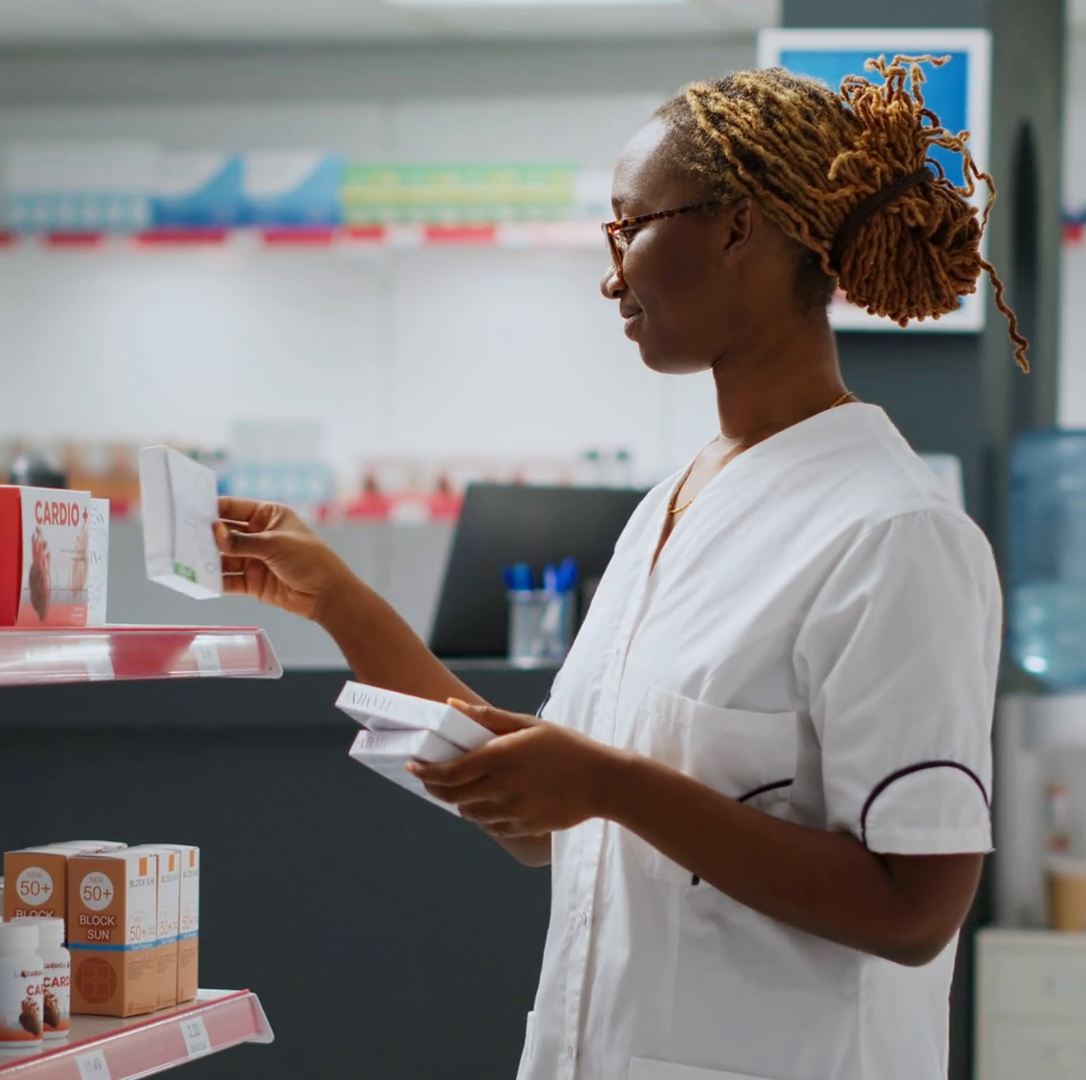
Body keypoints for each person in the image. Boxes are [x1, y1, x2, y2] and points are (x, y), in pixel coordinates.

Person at [214, 56, 1025, 1080]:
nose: (612, 272)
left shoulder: (894, 533)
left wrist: (611, 784)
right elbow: (544, 819)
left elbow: (916, 908)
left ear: (739, 228)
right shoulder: (671, 508)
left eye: (629, 226)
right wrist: (337, 599)